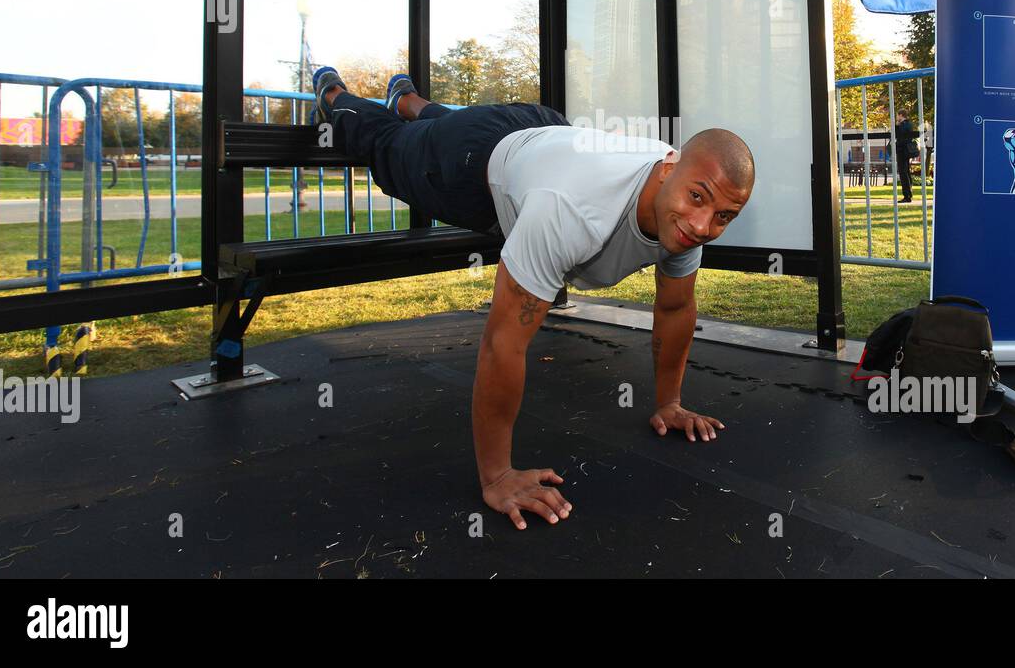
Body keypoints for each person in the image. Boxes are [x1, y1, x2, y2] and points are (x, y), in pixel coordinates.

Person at [312, 66, 755, 531]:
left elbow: (675, 307)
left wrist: (670, 403)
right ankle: (337, 95)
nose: (703, 226)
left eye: (724, 215)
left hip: (544, 129)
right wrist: (498, 475)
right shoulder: (570, 211)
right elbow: (504, 343)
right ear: (668, 169)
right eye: (698, 198)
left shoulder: (689, 200)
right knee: (387, 147)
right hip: (472, 159)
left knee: (446, 123)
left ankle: (407, 101)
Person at [894, 110, 917, 203]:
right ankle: (908, 194)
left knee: (903, 173)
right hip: (905, 151)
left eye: (897, 115)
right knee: (906, 172)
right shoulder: (908, 124)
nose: (896, 117)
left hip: (902, 151)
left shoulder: (904, 125)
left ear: (901, 115)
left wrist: (897, 124)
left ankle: (907, 195)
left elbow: (899, 134)